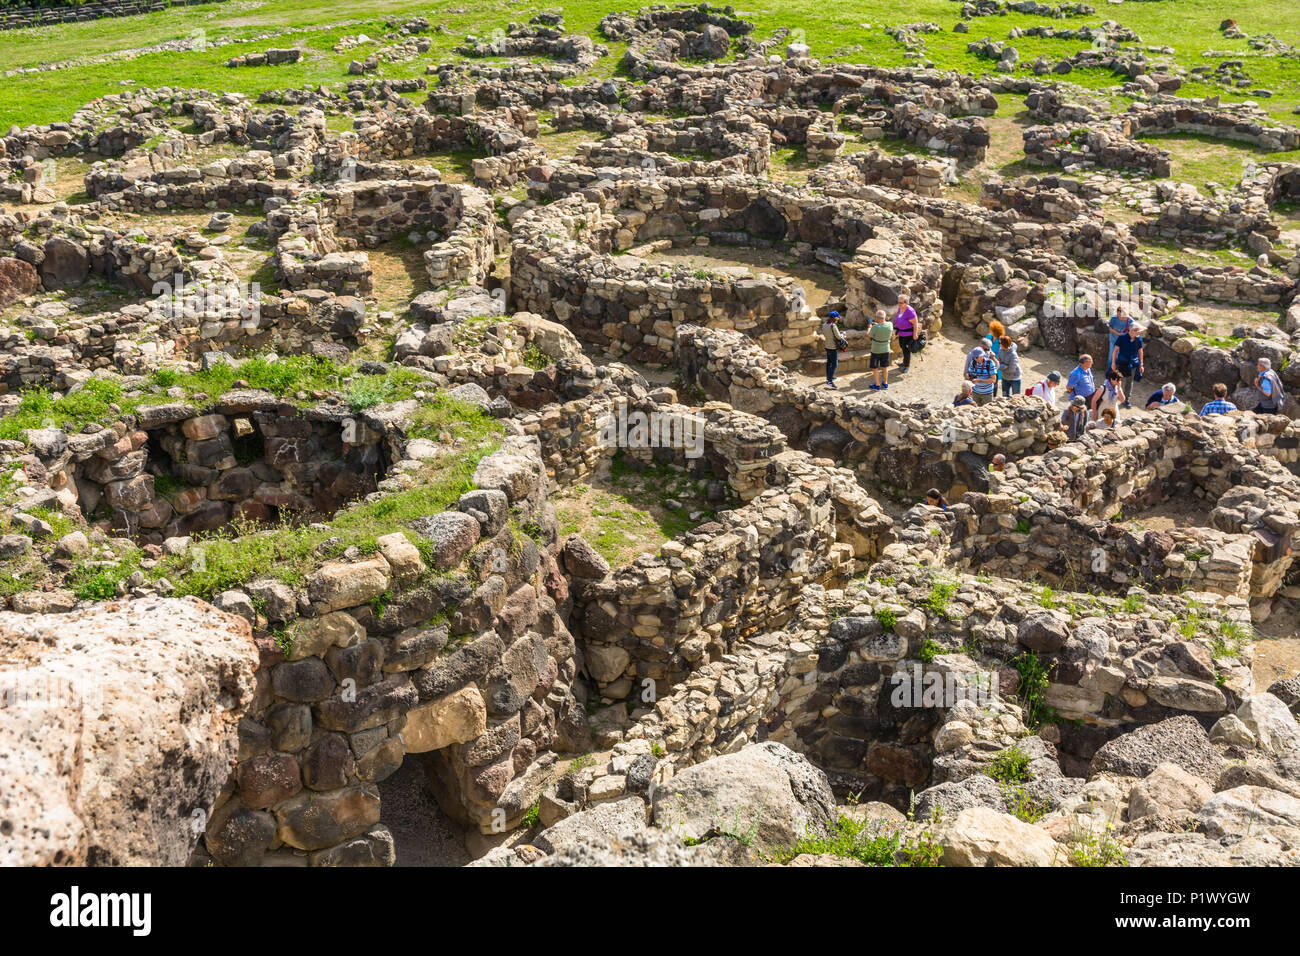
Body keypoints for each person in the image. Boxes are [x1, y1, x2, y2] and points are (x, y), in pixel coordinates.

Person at [1109, 324, 1144, 407]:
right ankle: (1112, 397)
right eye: (1138, 331)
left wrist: (1141, 364)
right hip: (1121, 363)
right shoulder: (1122, 337)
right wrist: (1113, 363)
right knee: (1116, 380)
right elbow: (1115, 351)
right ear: (1131, 331)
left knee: (1129, 382)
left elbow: (1140, 352)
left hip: (1133, 364)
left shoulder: (1138, 339)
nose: (1139, 333)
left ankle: (1126, 399)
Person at [868, 308, 893, 391]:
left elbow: (868, 337)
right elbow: (882, 325)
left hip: (876, 350)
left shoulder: (875, 327)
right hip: (886, 349)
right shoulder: (890, 324)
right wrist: (876, 325)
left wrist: (869, 327)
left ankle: (877, 385)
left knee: (875, 368)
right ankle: (885, 383)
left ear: (877, 318)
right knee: (885, 367)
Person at [821, 310, 847, 389]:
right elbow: (838, 337)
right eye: (837, 318)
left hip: (827, 346)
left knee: (829, 363)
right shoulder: (833, 326)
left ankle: (829, 377)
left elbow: (827, 334)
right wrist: (843, 335)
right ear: (835, 318)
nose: (838, 319)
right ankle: (829, 382)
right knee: (835, 364)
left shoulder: (824, 324)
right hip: (832, 347)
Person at [893, 293, 919, 371]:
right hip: (901, 333)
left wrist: (915, 334)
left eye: (901, 303)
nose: (899, 304)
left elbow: (915, 323)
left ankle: (906, 366)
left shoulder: (910, 311)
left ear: (906, 303)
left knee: (906, 349)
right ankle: (904, 362)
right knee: (902, 347)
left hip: (908, 334)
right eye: (898, 302)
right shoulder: (900, 308)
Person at [1107, 306, 1132, 371]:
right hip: (1114, 340)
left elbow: (1134, 329)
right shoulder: (1114, 318)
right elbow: (1110, 328)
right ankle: (1109, 372)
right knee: (1111, 356)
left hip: (1123, 342)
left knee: (1119, 357)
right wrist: (1118, 334)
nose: (1119, 317)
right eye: (1118, 315)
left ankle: (1117, 372)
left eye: (1121, 315)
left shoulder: (1130, 320)